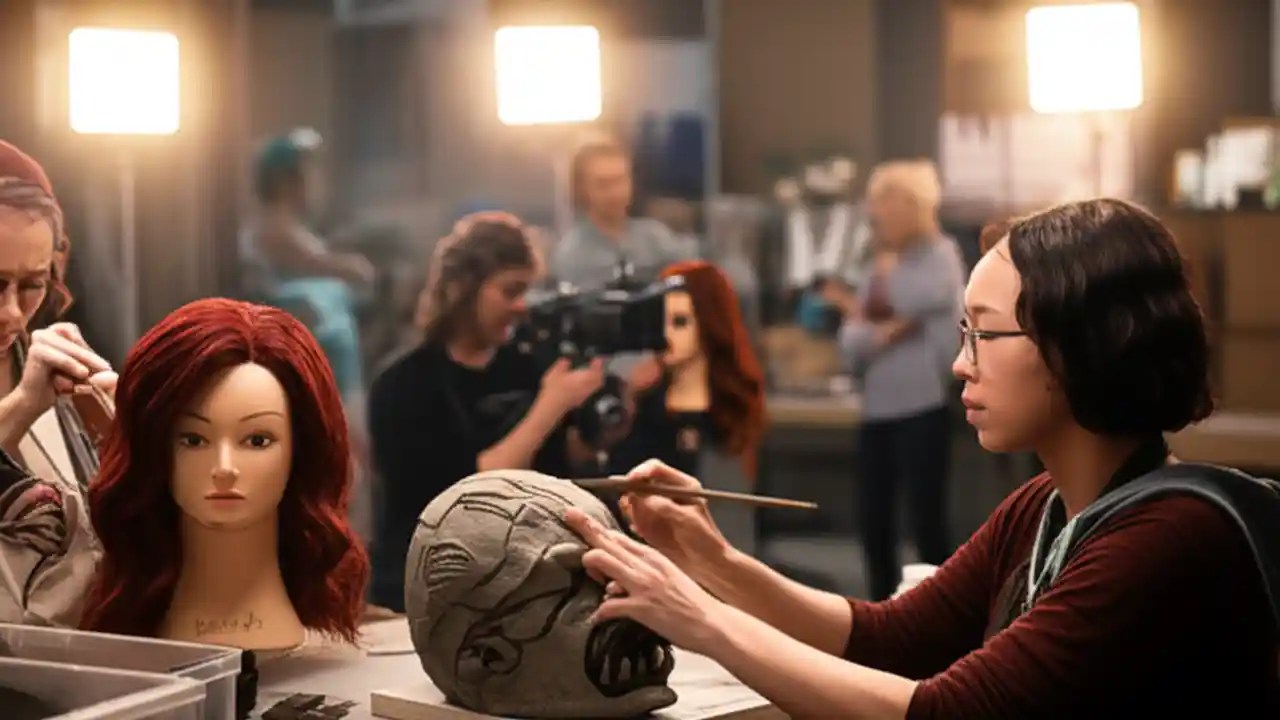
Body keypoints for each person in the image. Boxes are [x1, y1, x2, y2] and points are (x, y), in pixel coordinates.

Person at [567, 198, 1280, 717]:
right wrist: (713, 561)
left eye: (984, 335)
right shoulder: (1042, 508)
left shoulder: (1168, 538)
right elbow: (889, 639)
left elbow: (944, 714)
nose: (961, 365)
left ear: (1078, 345)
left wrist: (699, 616)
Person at [366, 213, 606, 612]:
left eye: (527, 291)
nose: (521, 306)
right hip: (429, 592)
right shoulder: (403, 386)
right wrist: (550, 407)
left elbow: (561, 467)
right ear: (462, 289)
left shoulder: (530, 366)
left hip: (525, 586)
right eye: (510, 291)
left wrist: (603, 419)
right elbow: (464, 497)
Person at [822, 159, 966, 600]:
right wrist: (884, 328)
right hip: (876, 412)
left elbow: (921, 300)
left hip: (923, 408)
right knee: (873, 521)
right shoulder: (879, 266)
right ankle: (880, 612)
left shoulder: (941, 257)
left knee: (926, 523)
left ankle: (943, 611)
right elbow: (851, 342)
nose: (877, 215)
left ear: (912, 205)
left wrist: (874, 302)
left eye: (886, 204)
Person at [0, 140, 115, 490]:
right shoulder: (32, 393)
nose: (11, 313)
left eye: (32, 284)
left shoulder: (49, 373)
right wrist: (22, 406)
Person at [549, 138, 696, 292]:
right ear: (582, 189)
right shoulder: (572, 255)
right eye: (603, 184)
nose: (615, 192)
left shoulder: (655, 236)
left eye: (620, 180)